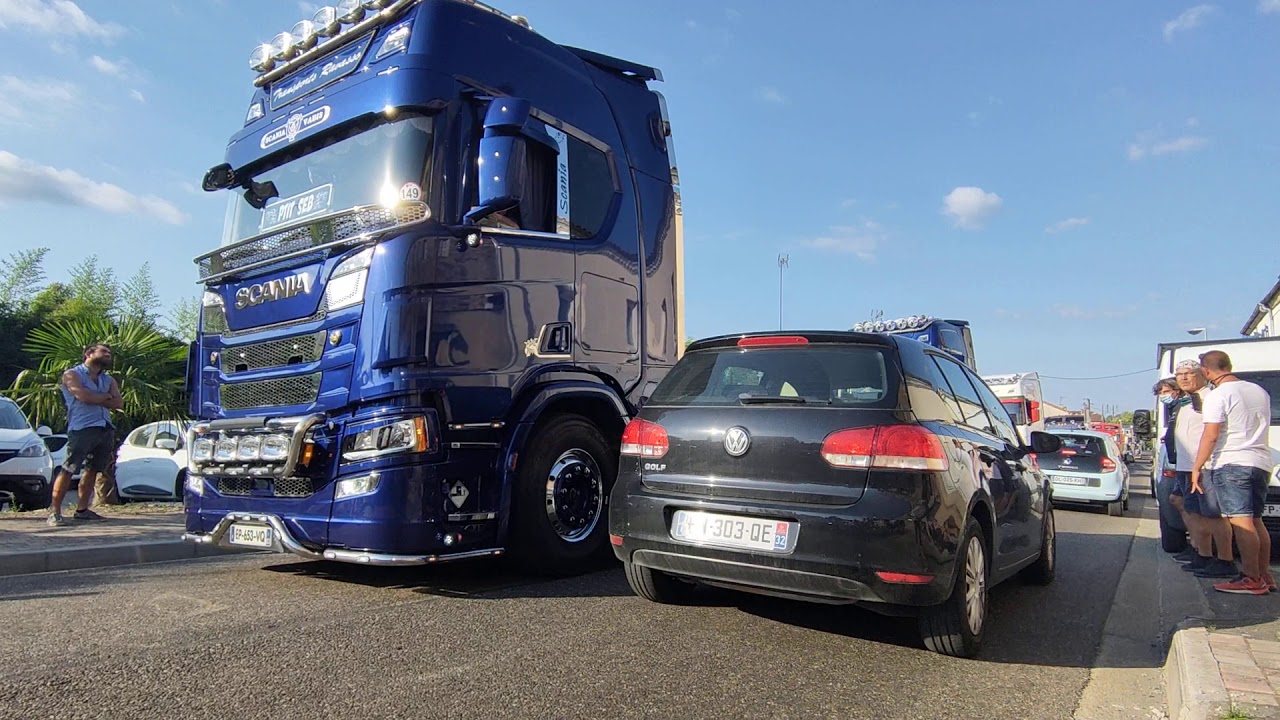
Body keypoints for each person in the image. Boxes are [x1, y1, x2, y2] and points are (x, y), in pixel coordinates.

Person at [1189, 350, 1275, 595]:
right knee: (1256, 521)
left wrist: (1197, 467)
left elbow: (1211, 435)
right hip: (1260, 461)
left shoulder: (1218, 396)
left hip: (1232, 462)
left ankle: (1250, 578)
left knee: (1241, 523)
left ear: (1206, 371)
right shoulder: (1259, 391)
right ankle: (1264, 574)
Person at [1167, 361, 1236, 578]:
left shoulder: (1209, 398)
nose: (1184, 378)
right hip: (1185, 466)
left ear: (1202, 374)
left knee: (1213, 514)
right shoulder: (1185, 402)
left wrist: (1201, 464)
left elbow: (1212, 433)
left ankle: (1225, 560)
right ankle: (1203, 555)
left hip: (1204, 466)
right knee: (1194, 512)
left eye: (1189, 373)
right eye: (1179, 374)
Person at [47, 343, 122, 527]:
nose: (108, 355)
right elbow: (82, 396)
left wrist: (98, 397)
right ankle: (55, 512)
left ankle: (82, 510)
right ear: (89, 353)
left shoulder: (108, 379)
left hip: (104, 427)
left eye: (109, 353)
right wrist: (105, 397)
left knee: (93, 470)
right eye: (104, 352)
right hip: (81, 428)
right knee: (69, 468)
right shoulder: (72, 374)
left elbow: (118, 403)